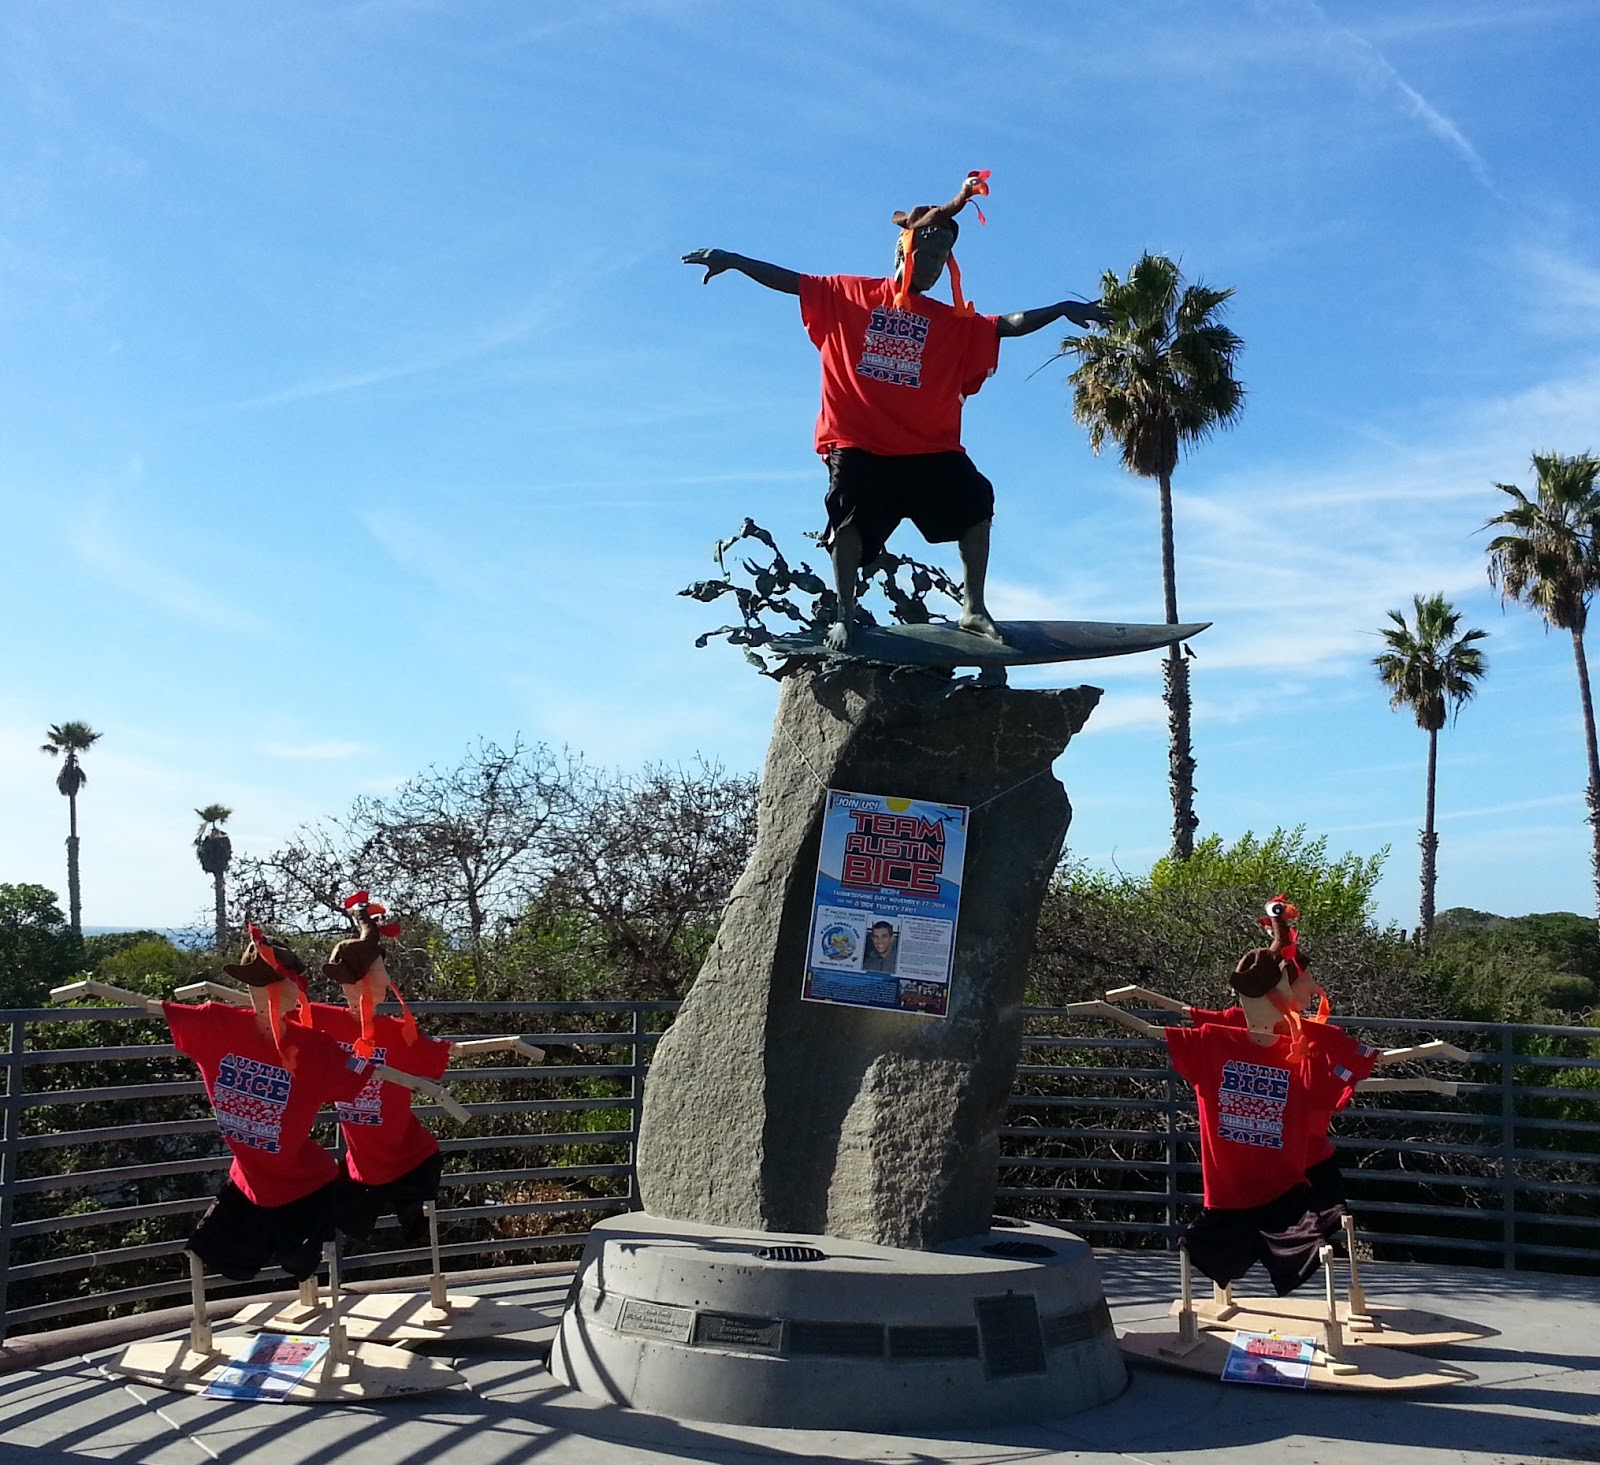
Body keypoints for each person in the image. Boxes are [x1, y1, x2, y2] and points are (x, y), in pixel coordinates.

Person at [684, 172, 1111, 649]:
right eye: (925, 256)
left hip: (927, 449)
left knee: (975, 503)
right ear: (902, 253)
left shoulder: (951, 322)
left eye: (941, 260)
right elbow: (789, 281)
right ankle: (844, 614)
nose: (931, 268)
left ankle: (973, 609)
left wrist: (1058, 309)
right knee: (847, 523)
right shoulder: (847, 294)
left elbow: (1005, 326)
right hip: (860, 443)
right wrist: (736, 261)